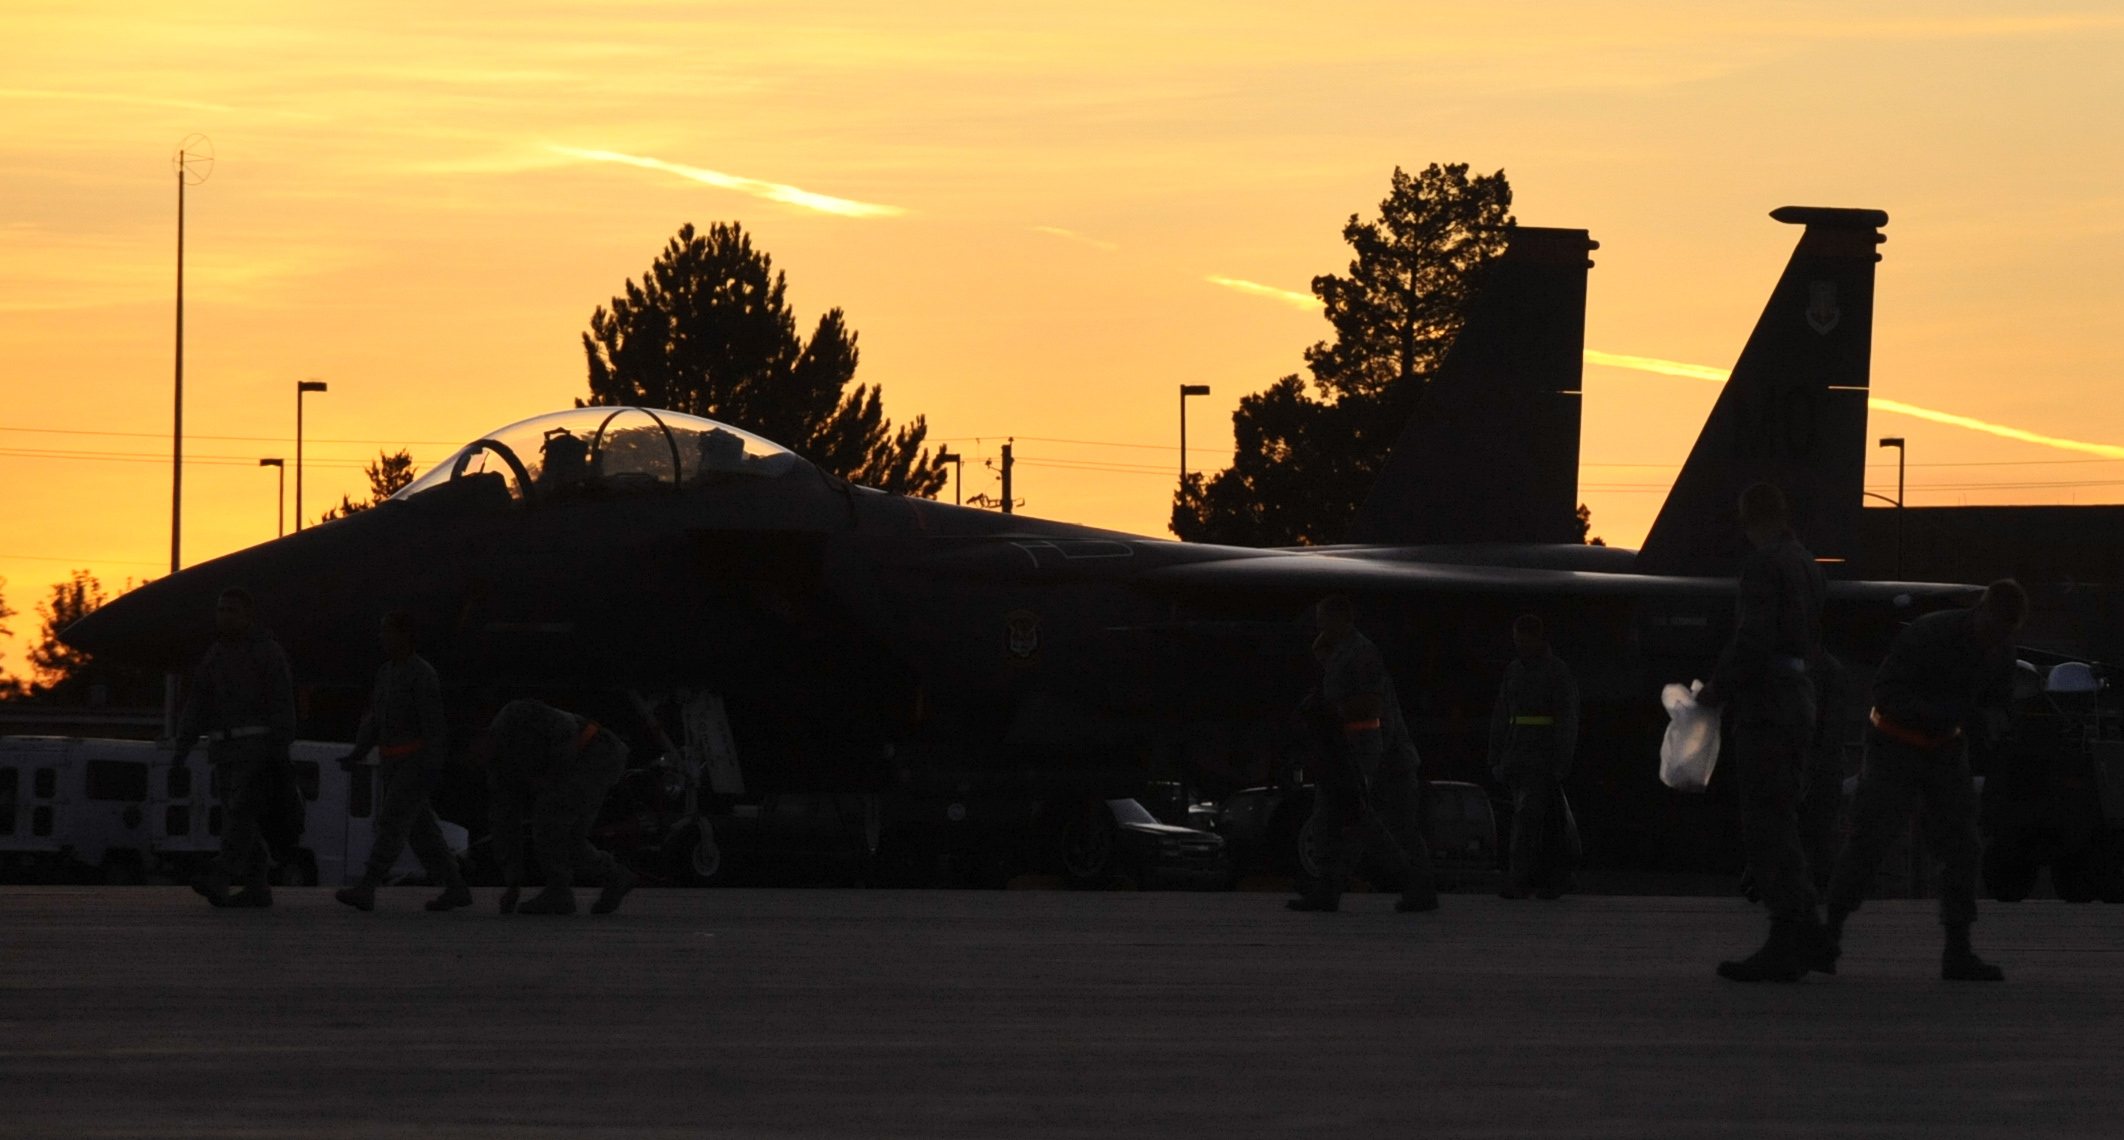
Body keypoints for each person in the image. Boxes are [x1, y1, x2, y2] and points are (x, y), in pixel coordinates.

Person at [1823, 580, 2027, 982]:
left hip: (1944, 749)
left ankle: (1958, 949)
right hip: (1894, 744)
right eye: (1993, 630)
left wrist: (1997, 720)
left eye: (2005, 634)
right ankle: (1829, 934)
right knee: (1869, 841)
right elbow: (1885, 693)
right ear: (1981, 611)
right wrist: (1942, 713)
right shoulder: (1929, 633)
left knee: (1962, 846)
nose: (1995, 640)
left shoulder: (2001, 651)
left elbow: (2000, 702)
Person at [1698, 482, 1833, 982]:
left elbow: (1752, 639)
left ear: (1749, 518)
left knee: (1767, 823)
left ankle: (1786, 937)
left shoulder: (1763, 565)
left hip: (1767, 705)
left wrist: (1717, 689)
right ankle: (1810, 935)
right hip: (1798, 697)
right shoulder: (1808, 564)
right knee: (1785, 816)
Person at [1288, 594, 1439, 915]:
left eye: (1323, 620)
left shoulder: (1361, 653)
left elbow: (1371, 705)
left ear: (1340, 619)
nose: (1320, 626)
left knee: (1381, 825)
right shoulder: (1343, 654)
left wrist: (1330, 711)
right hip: (1355, 754)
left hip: (1370, 754)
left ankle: (1414, 885)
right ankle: (1330, 890)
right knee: (1339, 822)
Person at [334, 612, 470, 913]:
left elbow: (434, 726)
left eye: (388, 631)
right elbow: (375, 721)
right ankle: (456, 886)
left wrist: (432, 767)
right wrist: (358, 753)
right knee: (423, 833)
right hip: (392, 765)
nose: (382, 637)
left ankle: (368, 886)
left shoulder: (422, 675)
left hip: (414, 764)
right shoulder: (385, 673)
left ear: (406, 635)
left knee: (392, 821)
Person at [171, 587, 297, 909]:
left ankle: (221, 874)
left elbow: (282, 702)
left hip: (257, 749)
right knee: (240, 817)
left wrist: (280, 748)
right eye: (221, 610)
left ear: (248, 616)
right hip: (224, 751)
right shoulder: (214, 656)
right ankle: (257, 886)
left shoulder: (266, 652)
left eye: (232, 610)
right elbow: (197, 703)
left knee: (240, 814)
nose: (225, 616)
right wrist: (182, 746)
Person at [485, 698, 637, 915]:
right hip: (584, 764)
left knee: (549, 821)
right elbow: (505, 826)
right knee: (568, 839)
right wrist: (512, 883)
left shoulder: (513, 715)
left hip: (595, 750)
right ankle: (614, 876)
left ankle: (559, 891)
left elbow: (565, 727)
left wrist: (552, 775)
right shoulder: (500, 773)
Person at [1488, 613, 1580, 899]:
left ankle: (1521, 880)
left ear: (1539, 638)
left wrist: (1561, 762)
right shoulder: (1514, 671)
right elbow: (1502, 714)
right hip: (1517, 756)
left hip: (1541, 758)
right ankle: (1542, 879)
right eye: (1517, 641)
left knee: (1528, 819)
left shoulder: (1556, 672)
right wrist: (1496, 756)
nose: (1520, 646)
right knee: (1530, 819)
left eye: (1525, 641)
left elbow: (1567, 719)